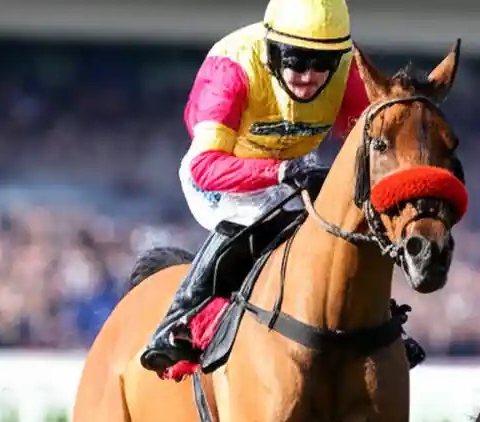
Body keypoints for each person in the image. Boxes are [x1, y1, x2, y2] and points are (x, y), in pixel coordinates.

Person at [140, 0, 373, 375]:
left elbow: (372, 141)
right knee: (255, 220)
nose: (309, 76)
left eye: (322, 64)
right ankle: (178, 323)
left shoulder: (349, 70)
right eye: (297, 61)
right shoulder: (231, 69)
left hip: (293, 164)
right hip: (225, 171)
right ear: (273, 52)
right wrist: (281, 172)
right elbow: (205, 167)